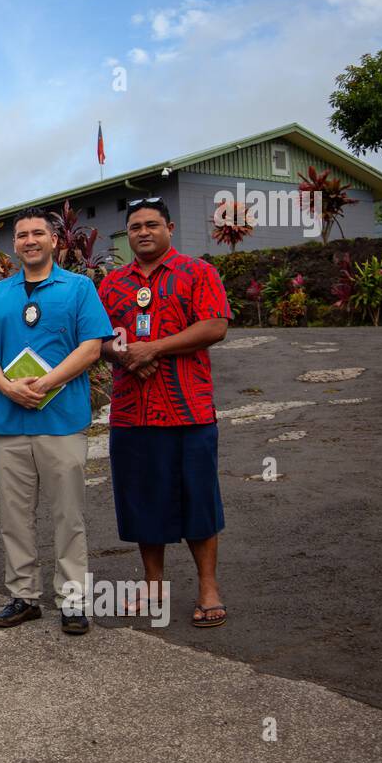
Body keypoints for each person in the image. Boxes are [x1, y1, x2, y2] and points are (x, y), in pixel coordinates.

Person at [0, 207, 114, 635]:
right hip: (9, 423)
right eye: (21, 235)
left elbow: (92, 347)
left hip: (61, 421)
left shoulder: (79, 288)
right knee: (14, 517)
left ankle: (72, 601)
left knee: (68, 516)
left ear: (55, 241)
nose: (29, 240)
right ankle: (23, 596)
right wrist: (10, 388)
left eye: (37, 234)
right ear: (14, 245)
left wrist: (46, 383)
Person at [98, 198, 231, 627]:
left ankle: (208, 587)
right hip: (132, 413)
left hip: (187, 410)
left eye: (151, 224)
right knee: (143, 502)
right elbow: (95, 339)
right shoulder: (112, 284)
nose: (143, 232)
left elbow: (215, 325)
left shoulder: (198, 272)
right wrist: (122, 355)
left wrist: (154, 347)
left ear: (169, 227)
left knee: (199, 499)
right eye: (135, 226)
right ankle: (154, 588)